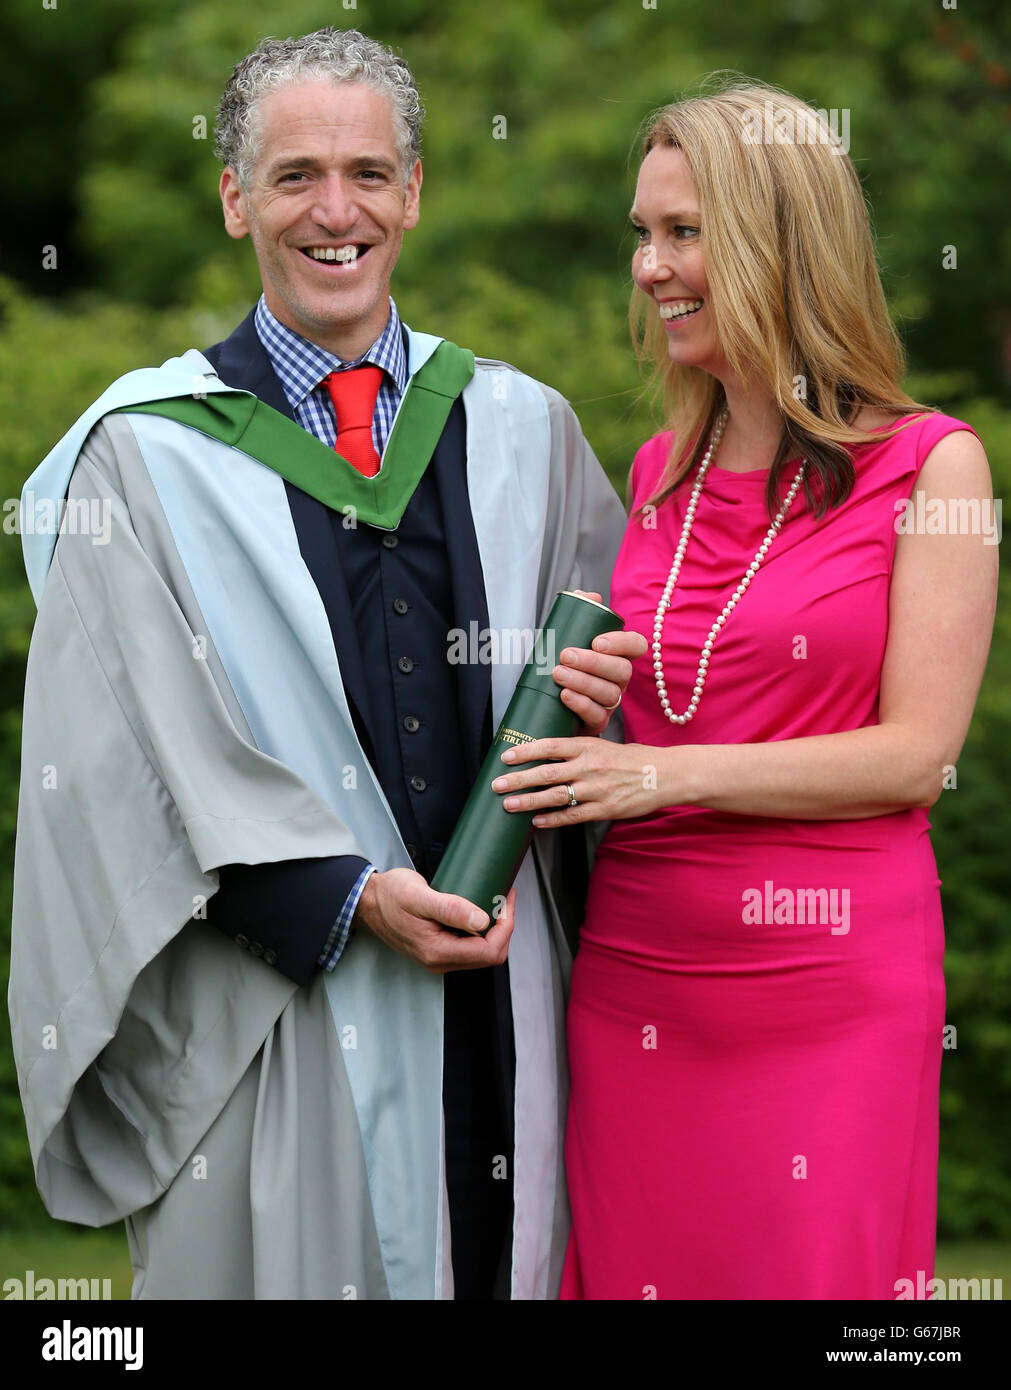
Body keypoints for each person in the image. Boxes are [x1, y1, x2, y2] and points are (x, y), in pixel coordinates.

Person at [8, 27, 645, 1301]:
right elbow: (116, 769)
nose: (334, 210)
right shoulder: (143, 459)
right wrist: (344, 899)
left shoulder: (523, 428)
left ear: (415, 193)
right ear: (235, 196)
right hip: (274, 1011)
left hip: (507, 998)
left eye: (367, 172)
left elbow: (623, 725)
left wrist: (603, 721)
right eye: (294, 174)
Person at [490, 80, 998, 1299]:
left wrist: (652, 773)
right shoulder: (660, 466)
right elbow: (687, 685)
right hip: (639, 975)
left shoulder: (934, 465)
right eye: (640, 234)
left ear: (776, 241)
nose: (646, 267)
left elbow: (914, 754)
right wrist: (596, 700)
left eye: (679, 233)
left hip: (828, 983)